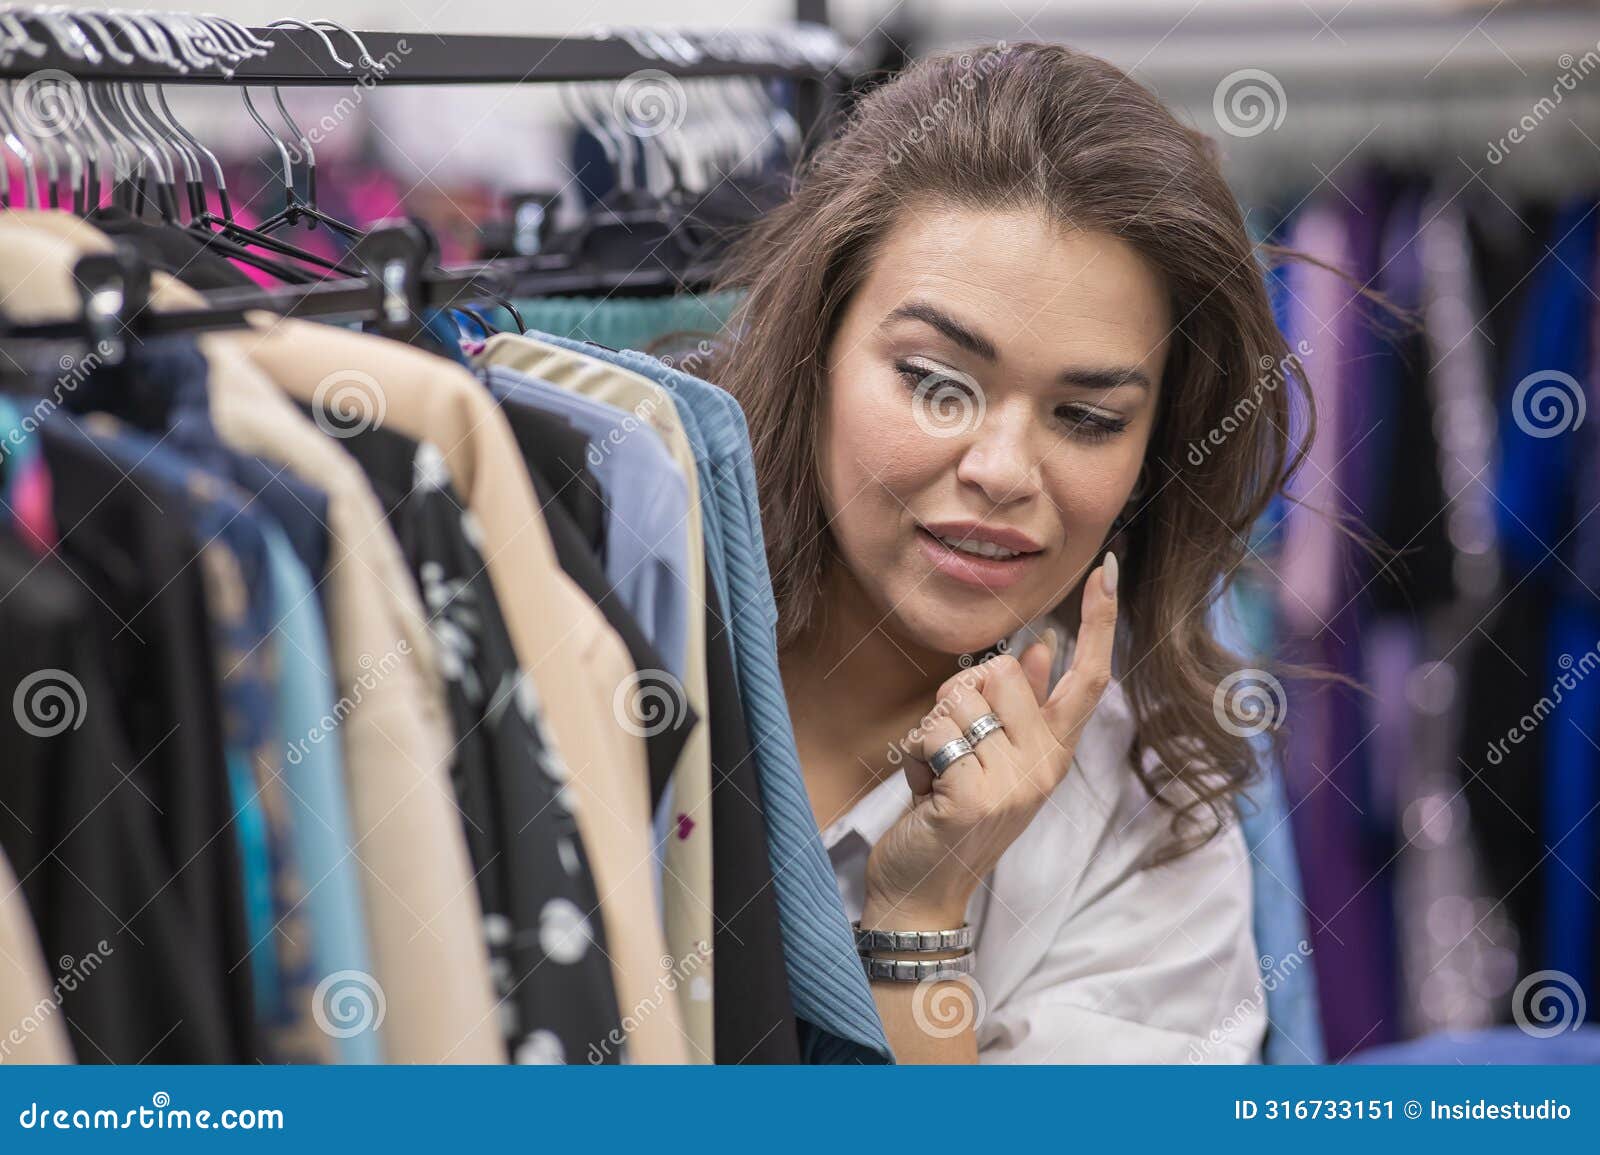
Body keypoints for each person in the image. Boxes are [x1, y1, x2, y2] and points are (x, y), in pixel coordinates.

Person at [710, 41, 1314, 1063]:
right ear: (813, 350)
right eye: (936, 382)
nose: (1001, 471)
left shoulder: (1140, 830)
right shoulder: (598, 620)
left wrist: (917, 916)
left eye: (1086, 417)